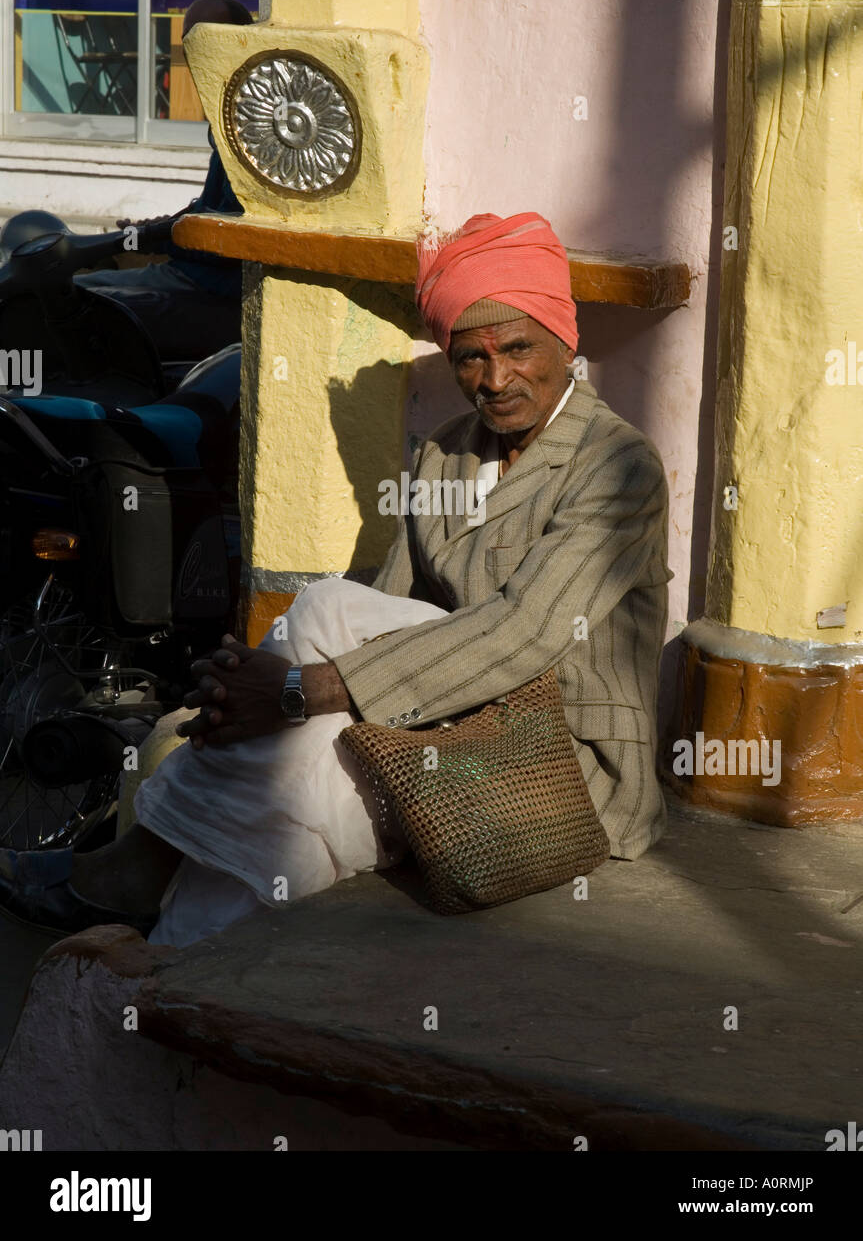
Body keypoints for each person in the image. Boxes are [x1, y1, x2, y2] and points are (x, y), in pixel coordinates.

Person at [0, 212, 672, 945]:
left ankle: (138, 867)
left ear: (565, 342)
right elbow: (392, 603)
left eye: (517, 349)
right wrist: (251, 693)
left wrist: (296, 690)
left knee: (322, 616)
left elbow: (527, 630)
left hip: (562, 758)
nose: (493, 379)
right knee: (295, 790)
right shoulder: (447, 453)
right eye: (468, 358)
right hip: (451, 714)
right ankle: (169, 966)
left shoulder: (618, 464)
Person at [74, 0, 253, 361]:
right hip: (185, 272)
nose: (195, 52)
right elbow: (209, 209)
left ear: (241, 40)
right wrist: (161, 227)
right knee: (61, 288)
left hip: (207, 289)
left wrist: (157, 238)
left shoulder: (250, 122)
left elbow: (228, 237)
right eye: (189, 43)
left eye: (206, 38)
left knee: (72, 301)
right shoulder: (225, 108)